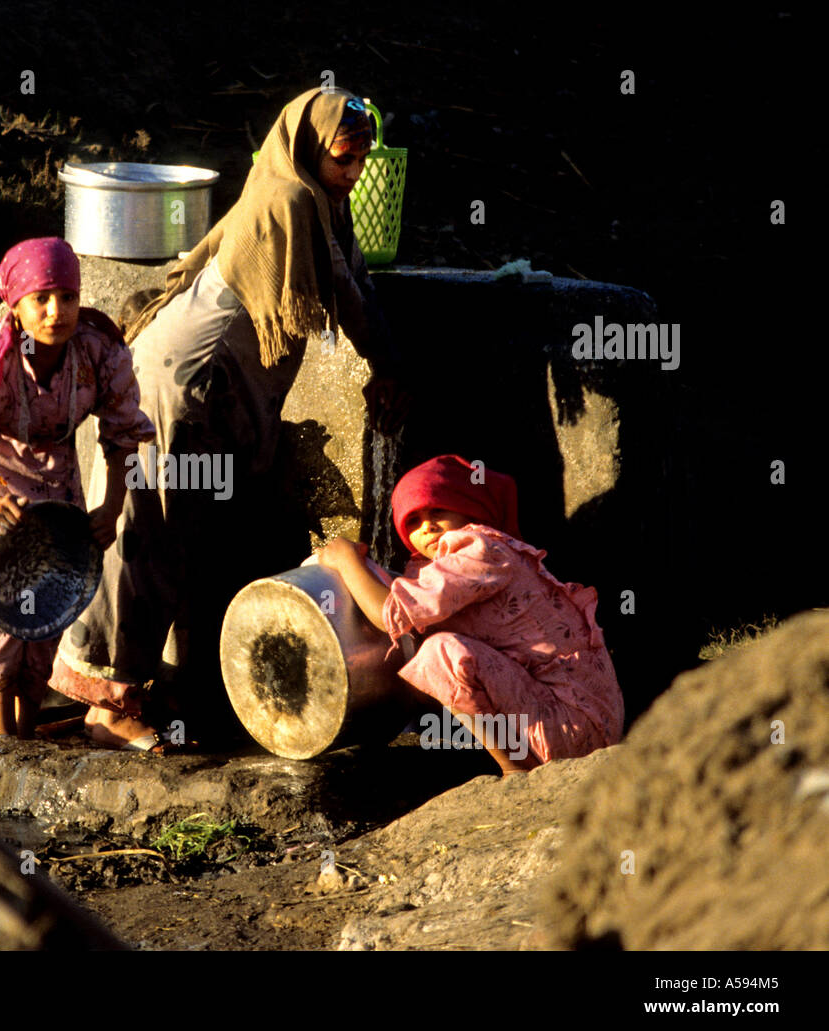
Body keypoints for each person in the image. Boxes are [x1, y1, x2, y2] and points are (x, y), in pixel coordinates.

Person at [50, 86, 403, 750]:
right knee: (145, 534)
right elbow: (348, 294)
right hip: (179, 388)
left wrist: (387, 360)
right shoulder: (289, 201)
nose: (355, 173)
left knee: (183, 534)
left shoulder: (318, 203)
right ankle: (108, 704)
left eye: (362, 159)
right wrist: (388, 366)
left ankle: (159, 689)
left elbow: (356, 277)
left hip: (209, 391)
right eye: (344, 158)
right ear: (306, 149)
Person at [0, 237, 155, 738]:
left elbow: (121, 437)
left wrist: (112, 508)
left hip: (51, 487)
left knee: (47, 613)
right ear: (16, 306)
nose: (57, 312)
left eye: (67, 297)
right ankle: (1, 742)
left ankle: (26, 741)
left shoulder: (99, 352)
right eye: (41, 299)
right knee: (3, 612)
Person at [316, 454, 624, 774]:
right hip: (577, 720)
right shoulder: (449, 565)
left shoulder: (479, 550)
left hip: (573, 724)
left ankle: (514, 769)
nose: (427, 527)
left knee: (441, 653)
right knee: (423, 655)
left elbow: (390, 613)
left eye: (438, 510)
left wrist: (347, 561)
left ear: (470, 509)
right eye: (414, 521)